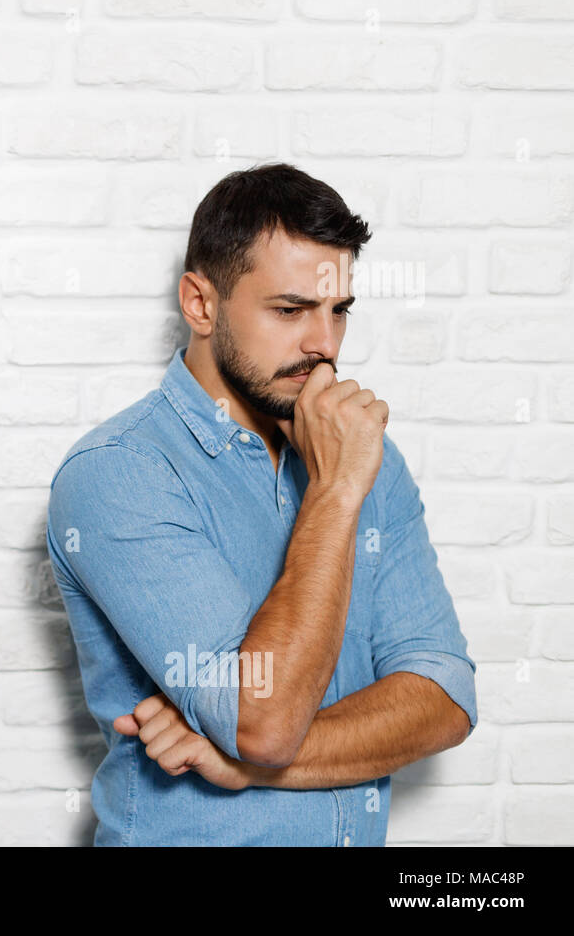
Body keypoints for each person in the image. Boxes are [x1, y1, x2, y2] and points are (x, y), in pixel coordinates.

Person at [45, 162, 477, 846]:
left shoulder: (364, 452)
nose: (325, 346)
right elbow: (263, 722)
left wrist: (243, 765)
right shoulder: (120, 474)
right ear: (201, 303)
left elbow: (445, 698)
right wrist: (335, 491)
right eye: (290, 310)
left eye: (338, 311)